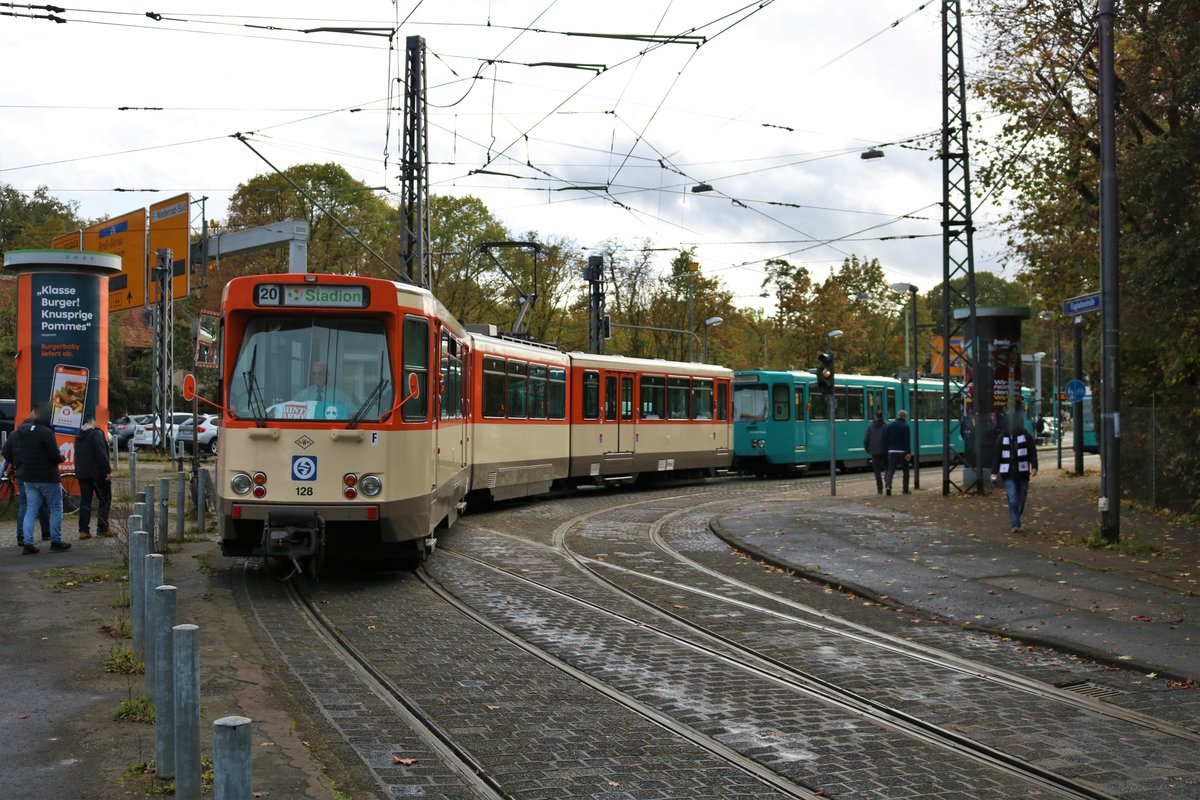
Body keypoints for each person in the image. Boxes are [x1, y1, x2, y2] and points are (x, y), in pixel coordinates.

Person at [15, 402, 69, 554]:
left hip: (29, 477)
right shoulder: (46, 432)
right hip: (48, 478)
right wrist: (62, 458)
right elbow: (54, 456)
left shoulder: (23, 430)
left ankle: (28, 543)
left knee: (31, 509)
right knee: (56, 507)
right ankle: (56, 541)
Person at [2, 412, 52, 546]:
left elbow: (5, 454)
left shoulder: (15, 434)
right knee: (42, 503)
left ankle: (21, 536)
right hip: (38, 474)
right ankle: (46, 532)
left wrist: (16, 463)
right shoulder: (38, 433)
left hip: (21, 473)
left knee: (25, 504)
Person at [990, 412, 1039, 533]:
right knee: (1012, 499)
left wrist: (1034, 467)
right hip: (1009, 474)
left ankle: (1016, 518)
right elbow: (997, 457)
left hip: (1022, 474)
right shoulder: (1002, 438)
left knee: (1021, 500)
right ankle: (1015, 524)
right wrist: (994, 472)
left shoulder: (1026, 437)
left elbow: (1032, 452)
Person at [75, 416, 113, 539]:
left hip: (83, 473)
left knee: (85, 501)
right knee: (104, 499)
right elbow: (100, 452)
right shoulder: (96, 434)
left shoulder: (79, 435)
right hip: (97, 473)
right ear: (93, 422)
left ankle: (83, 530)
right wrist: (107, 470)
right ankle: (103, 528)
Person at [883, 409, 912, 496]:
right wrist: (908, 452)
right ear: (904, 417)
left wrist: (888, 448)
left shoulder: (889, 426)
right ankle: (905, 490)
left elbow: (886, 438)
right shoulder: (905, 427)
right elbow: (907, 441)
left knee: (890, 470)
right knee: (905, 470)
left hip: (892, 451)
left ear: (898, 416)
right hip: (902, 451)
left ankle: (888, 487)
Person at [863, 410, 888, 494]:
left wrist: (868, 450)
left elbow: (866, 440)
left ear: (875, 416)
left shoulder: (870, 427)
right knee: (887, 468)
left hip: (874, 452)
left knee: (877, 472)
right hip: (885, 451)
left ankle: (879, 489)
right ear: (882, 416)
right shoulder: (886, 426)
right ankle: (888, 484)